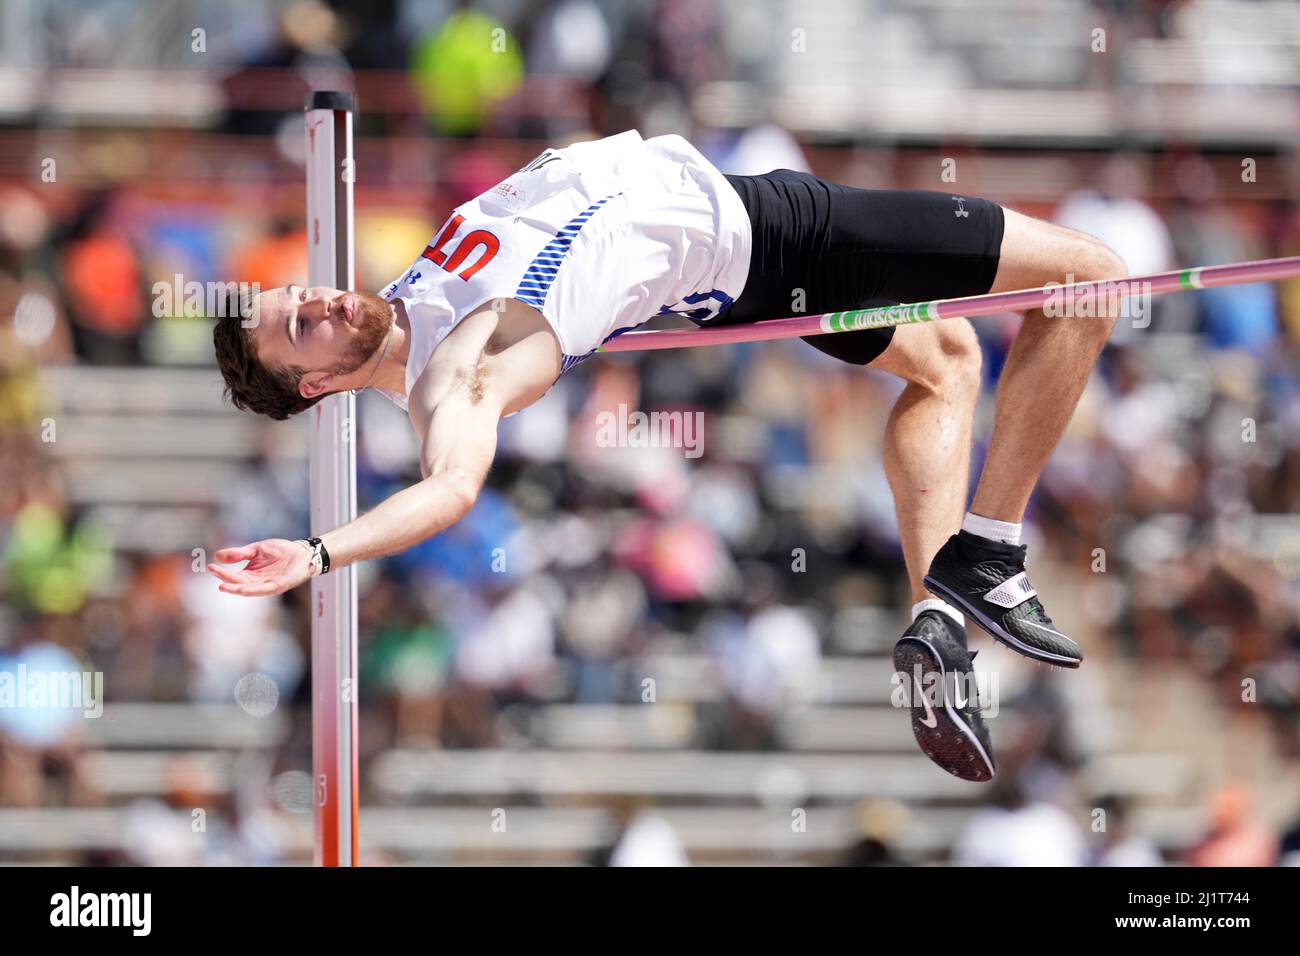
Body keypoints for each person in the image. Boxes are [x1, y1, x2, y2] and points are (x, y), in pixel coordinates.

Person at [211, 129, 1127, 782]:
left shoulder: (413, 291)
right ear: (317, 387)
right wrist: (322, 552)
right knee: (1089, 277)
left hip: (734, 266)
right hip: (775, 230)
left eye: (306, 294)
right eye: (302, 326)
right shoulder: (460, 375)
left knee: (947, 364)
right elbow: (450, 488)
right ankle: (993, 552)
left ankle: (939, 622)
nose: (323, 303)